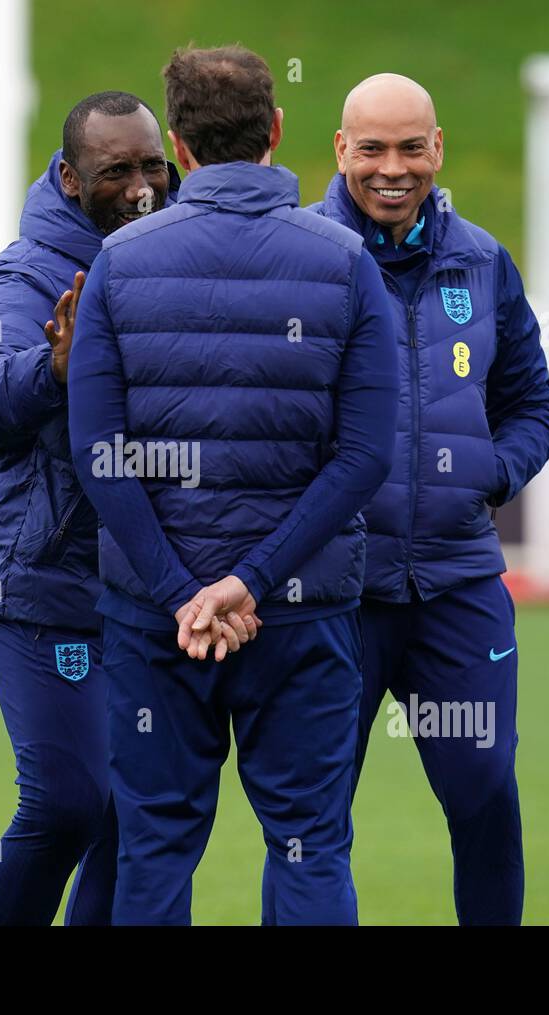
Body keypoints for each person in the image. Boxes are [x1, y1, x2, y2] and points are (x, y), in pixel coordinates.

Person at [67, 46, 399, 926]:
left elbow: (97, 449)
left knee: (155, 849)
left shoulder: (121, 261)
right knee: (310, 841)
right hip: (301, 614)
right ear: (278, 131)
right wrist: (251, 581)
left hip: (154, 620)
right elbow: (365, 454)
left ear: (175, 145)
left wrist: (185, 593)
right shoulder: (344, 260)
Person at [309, 73, 549, 925]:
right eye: (371, 148)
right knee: (310, 823)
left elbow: (535, 406)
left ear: (438, 149)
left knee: (485, 792)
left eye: (410, 147)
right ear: (340, 150)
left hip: (455, 585)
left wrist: (488, 474)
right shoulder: (301, 254)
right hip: (333, 594)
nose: (392, 168)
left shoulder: (483, 261)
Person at [0, 91, 179, 925]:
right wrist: (52, 371)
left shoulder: (171, 255)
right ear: (71, 179)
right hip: (46, 579)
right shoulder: (28, 272)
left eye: (153, 163)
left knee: (137, 814)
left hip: (148, 581)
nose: (142, 184)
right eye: (116, 170)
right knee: (69, 804)